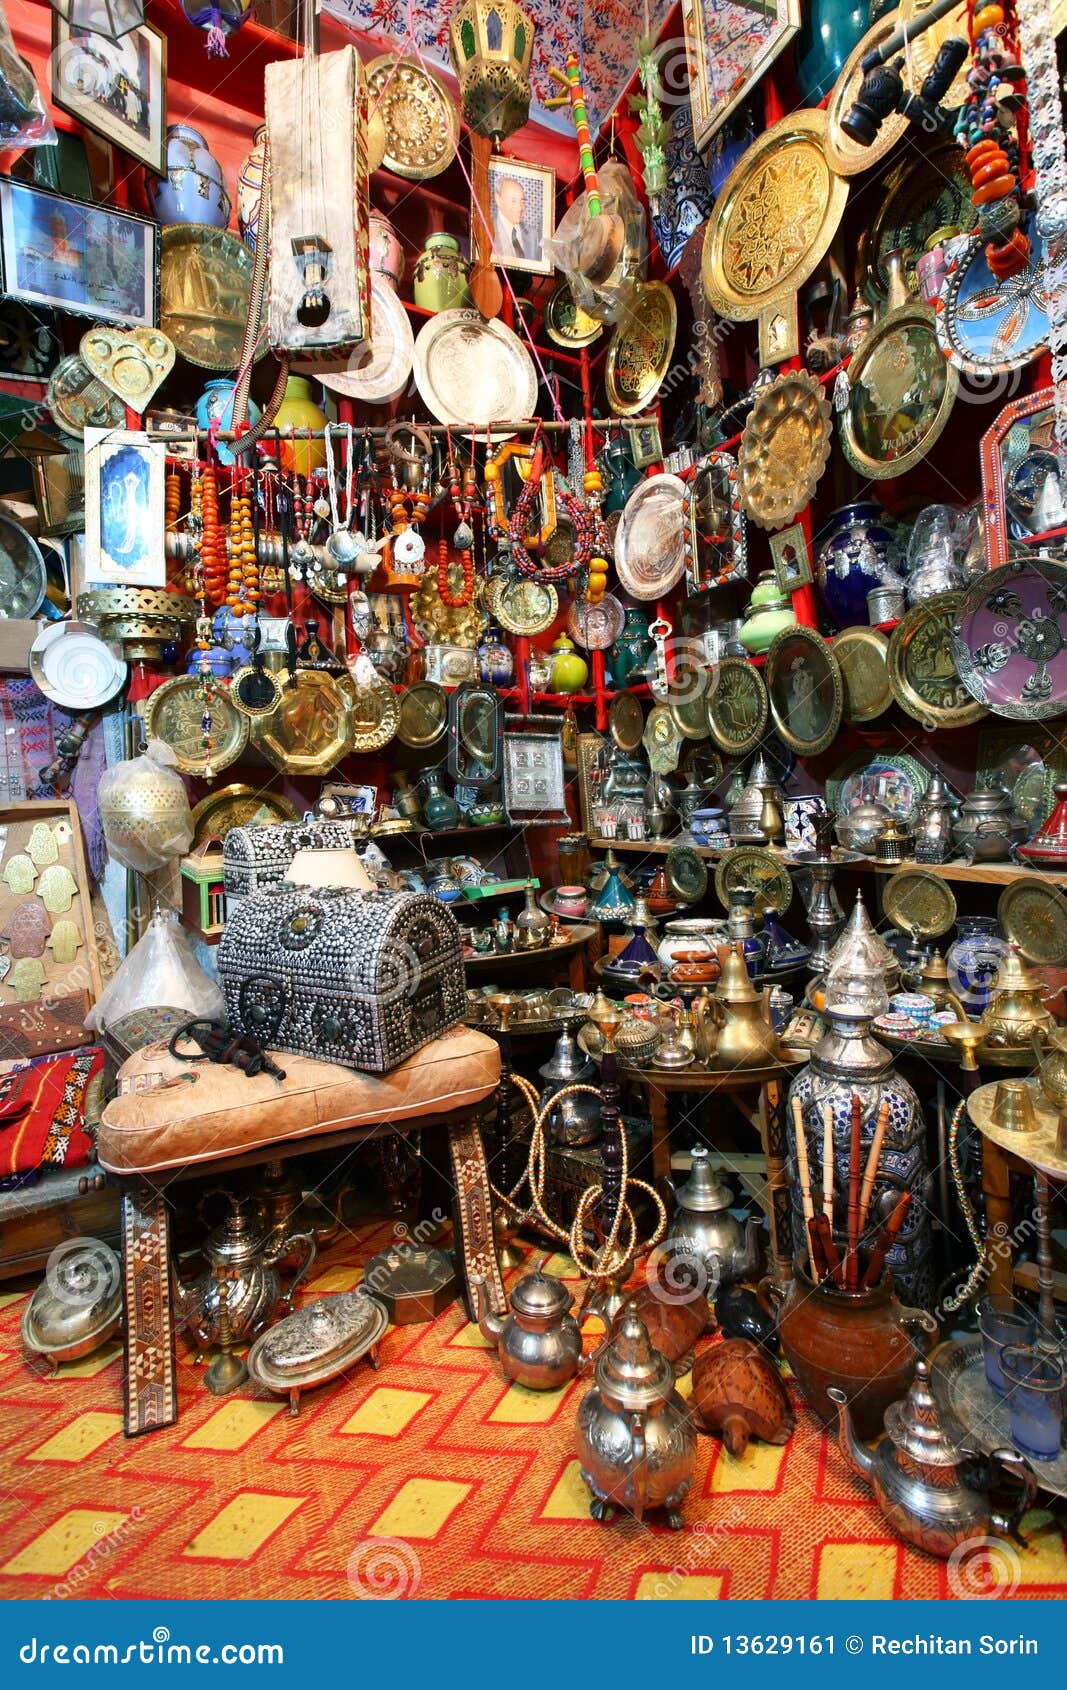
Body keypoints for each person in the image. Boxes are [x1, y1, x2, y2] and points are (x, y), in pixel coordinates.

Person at [493, 173, 536, 265]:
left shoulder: (533, 234)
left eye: (522, 201)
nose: (520, 207)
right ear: (498, 199)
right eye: (513, 201)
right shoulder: (486, 229)